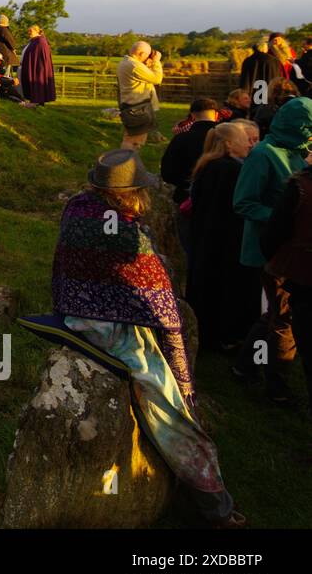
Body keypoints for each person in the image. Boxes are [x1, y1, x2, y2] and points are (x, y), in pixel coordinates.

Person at [33, 149, 244, 528]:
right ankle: (217, 507)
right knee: (171, 414)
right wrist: (184, 385)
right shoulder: (132, 236)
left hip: (71, 312)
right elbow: (165, 314)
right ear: (133, 193)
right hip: (109, 328)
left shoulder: (78, 207)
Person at [231, 97, 312, 402]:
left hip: (289, 247)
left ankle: (246, 365)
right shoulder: (263, 154)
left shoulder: (298, 151)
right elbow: (243, 202)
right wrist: (284, 218)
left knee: (276, 313)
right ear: (298, 127)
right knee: (284, 317)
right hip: (270, 248)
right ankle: (276, 385)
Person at [186, 121, 262, 352]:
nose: (249, 144)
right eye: (244, 140)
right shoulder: (230, 170)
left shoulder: (206, 165)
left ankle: (206, 336)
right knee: (222, 290)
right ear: (229, 144)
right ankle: (223, 337)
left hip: (205, 239)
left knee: (205, 287)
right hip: (224, 242)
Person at [261, 166, 312, 410]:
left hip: (294, 269)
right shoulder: (300, 185)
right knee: (274, 319)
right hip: (291, 269)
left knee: (273, 319)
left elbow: (274, 230)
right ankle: (259, 370)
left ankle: (254, 368)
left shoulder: (300, 185)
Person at [160, 97, 221, 254]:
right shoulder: (226, 137)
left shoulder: (182, 138)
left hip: (187, 200)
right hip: (220, 199)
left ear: (192, 116)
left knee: (191, 248)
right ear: (215, 115)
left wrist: (185, 182)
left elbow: (167, 173)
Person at [116, 41, 163, 149]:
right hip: (137, 109)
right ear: (141, 54)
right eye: (147, 55)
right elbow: (157, 79)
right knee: (133, 142)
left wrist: (148, 64)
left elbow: (146, 76)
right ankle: (127, 164)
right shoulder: (134, 66)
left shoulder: (126, 62)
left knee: (132, 139)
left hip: (132, 107)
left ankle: (129, 163)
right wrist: (156, 61)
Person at [19, 24, 56, 105]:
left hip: (38, 69)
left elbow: (40, 57)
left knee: (38, 85)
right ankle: (35, 101)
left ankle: (38, 101)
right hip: (33, 67)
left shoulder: (40, 42)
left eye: (31, 31)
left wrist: (36, 68)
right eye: (28, 31)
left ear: (37, 31)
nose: (29, 33)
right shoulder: (35, 41)